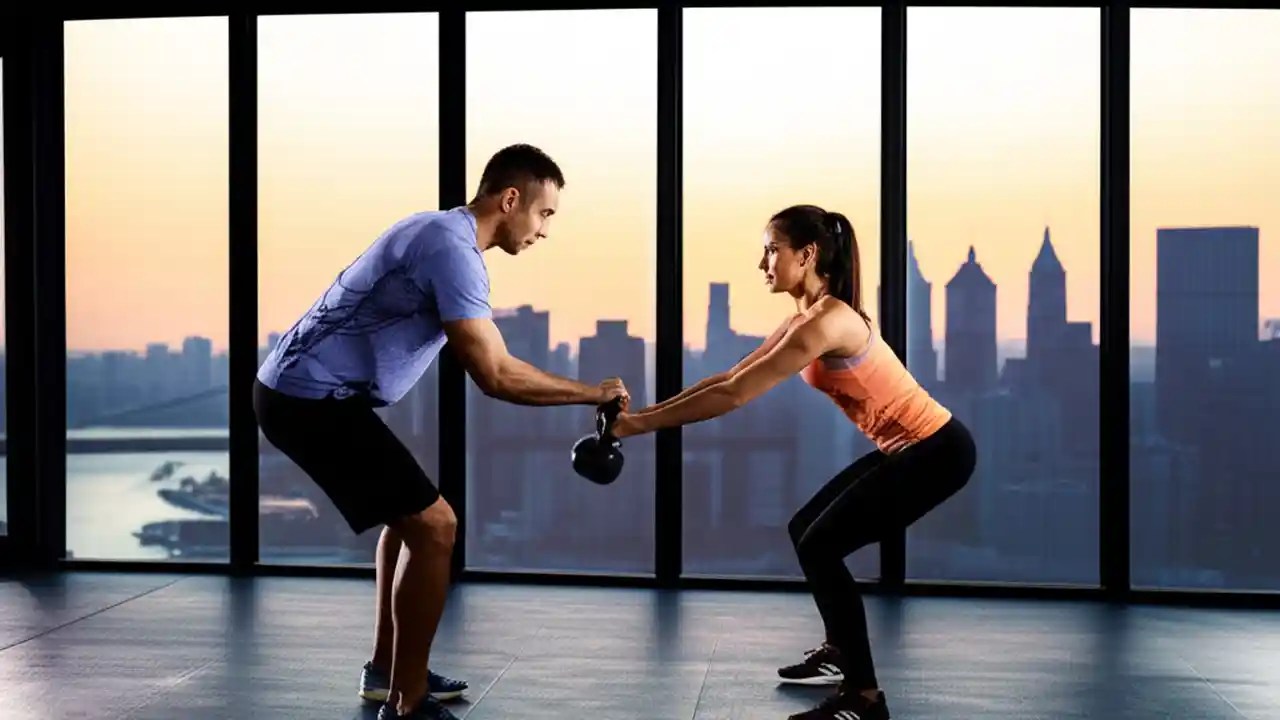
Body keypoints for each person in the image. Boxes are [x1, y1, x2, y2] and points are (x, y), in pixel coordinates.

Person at [253, 144, 629, 720]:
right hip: (311, 403)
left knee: (408, 519)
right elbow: (496, 375)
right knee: (436, 527)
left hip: (305, 394)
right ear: (510, 199)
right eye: (544, 213)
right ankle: (408, 702)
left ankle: (389, 669)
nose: (545, 230)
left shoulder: (436, 230)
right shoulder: (452, 251)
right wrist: (591, 392)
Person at [609, 204, 976, 720]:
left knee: (822, 545)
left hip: (937, 452)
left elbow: (735, 396)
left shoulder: (826, 323)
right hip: (911, 448)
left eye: (771, 250)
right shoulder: (804, 319)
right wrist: (638, 417)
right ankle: (839, 650)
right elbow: (728, 378)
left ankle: (864, 697)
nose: (762, 263)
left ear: (806, 255)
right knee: (805, 529)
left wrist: (637, 427)